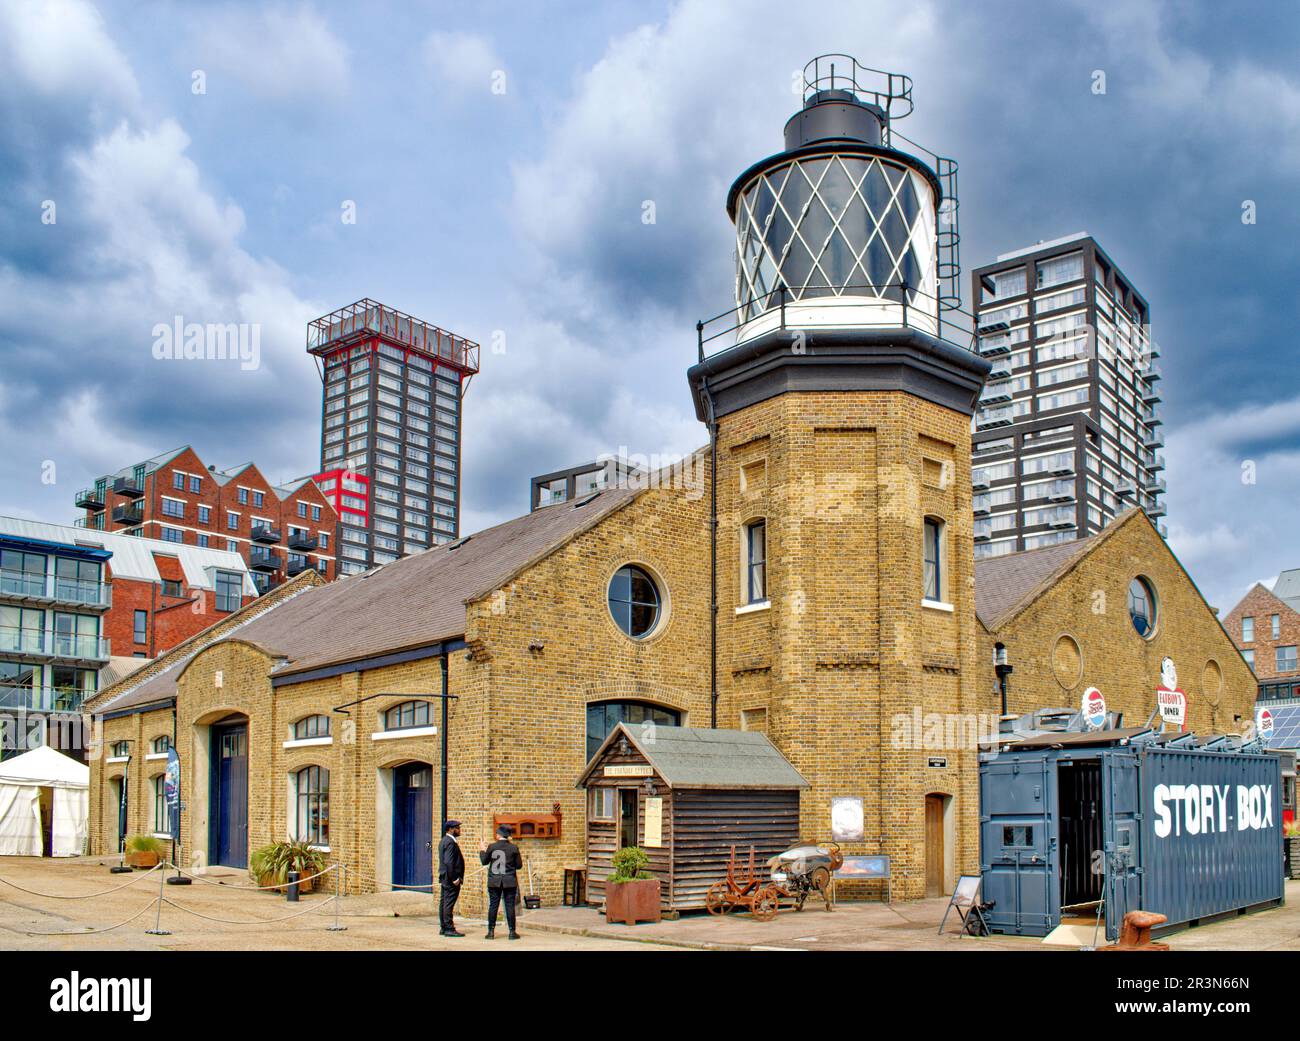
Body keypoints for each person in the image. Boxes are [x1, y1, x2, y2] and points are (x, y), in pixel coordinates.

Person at [479, 824, 524, 939]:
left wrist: (482, 850)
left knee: (493, 905)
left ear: (499, 835)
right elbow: (519, 866)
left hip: (494, 881)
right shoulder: (514, 848)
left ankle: (491, 932)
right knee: (509, 906)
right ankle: (512, 932)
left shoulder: (492, 847)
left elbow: (484, 861)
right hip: (509, 880)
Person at [438, 819, 465, 937]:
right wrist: (454, 878)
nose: (459, 830)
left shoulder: (444, 840)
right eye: (456, 828)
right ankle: (449, 928)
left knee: (444, 902)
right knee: (448, 903)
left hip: (445, 876)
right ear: (450, 829)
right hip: (450, 878)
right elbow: (449, 862)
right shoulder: (449, 842)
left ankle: (444, 927)